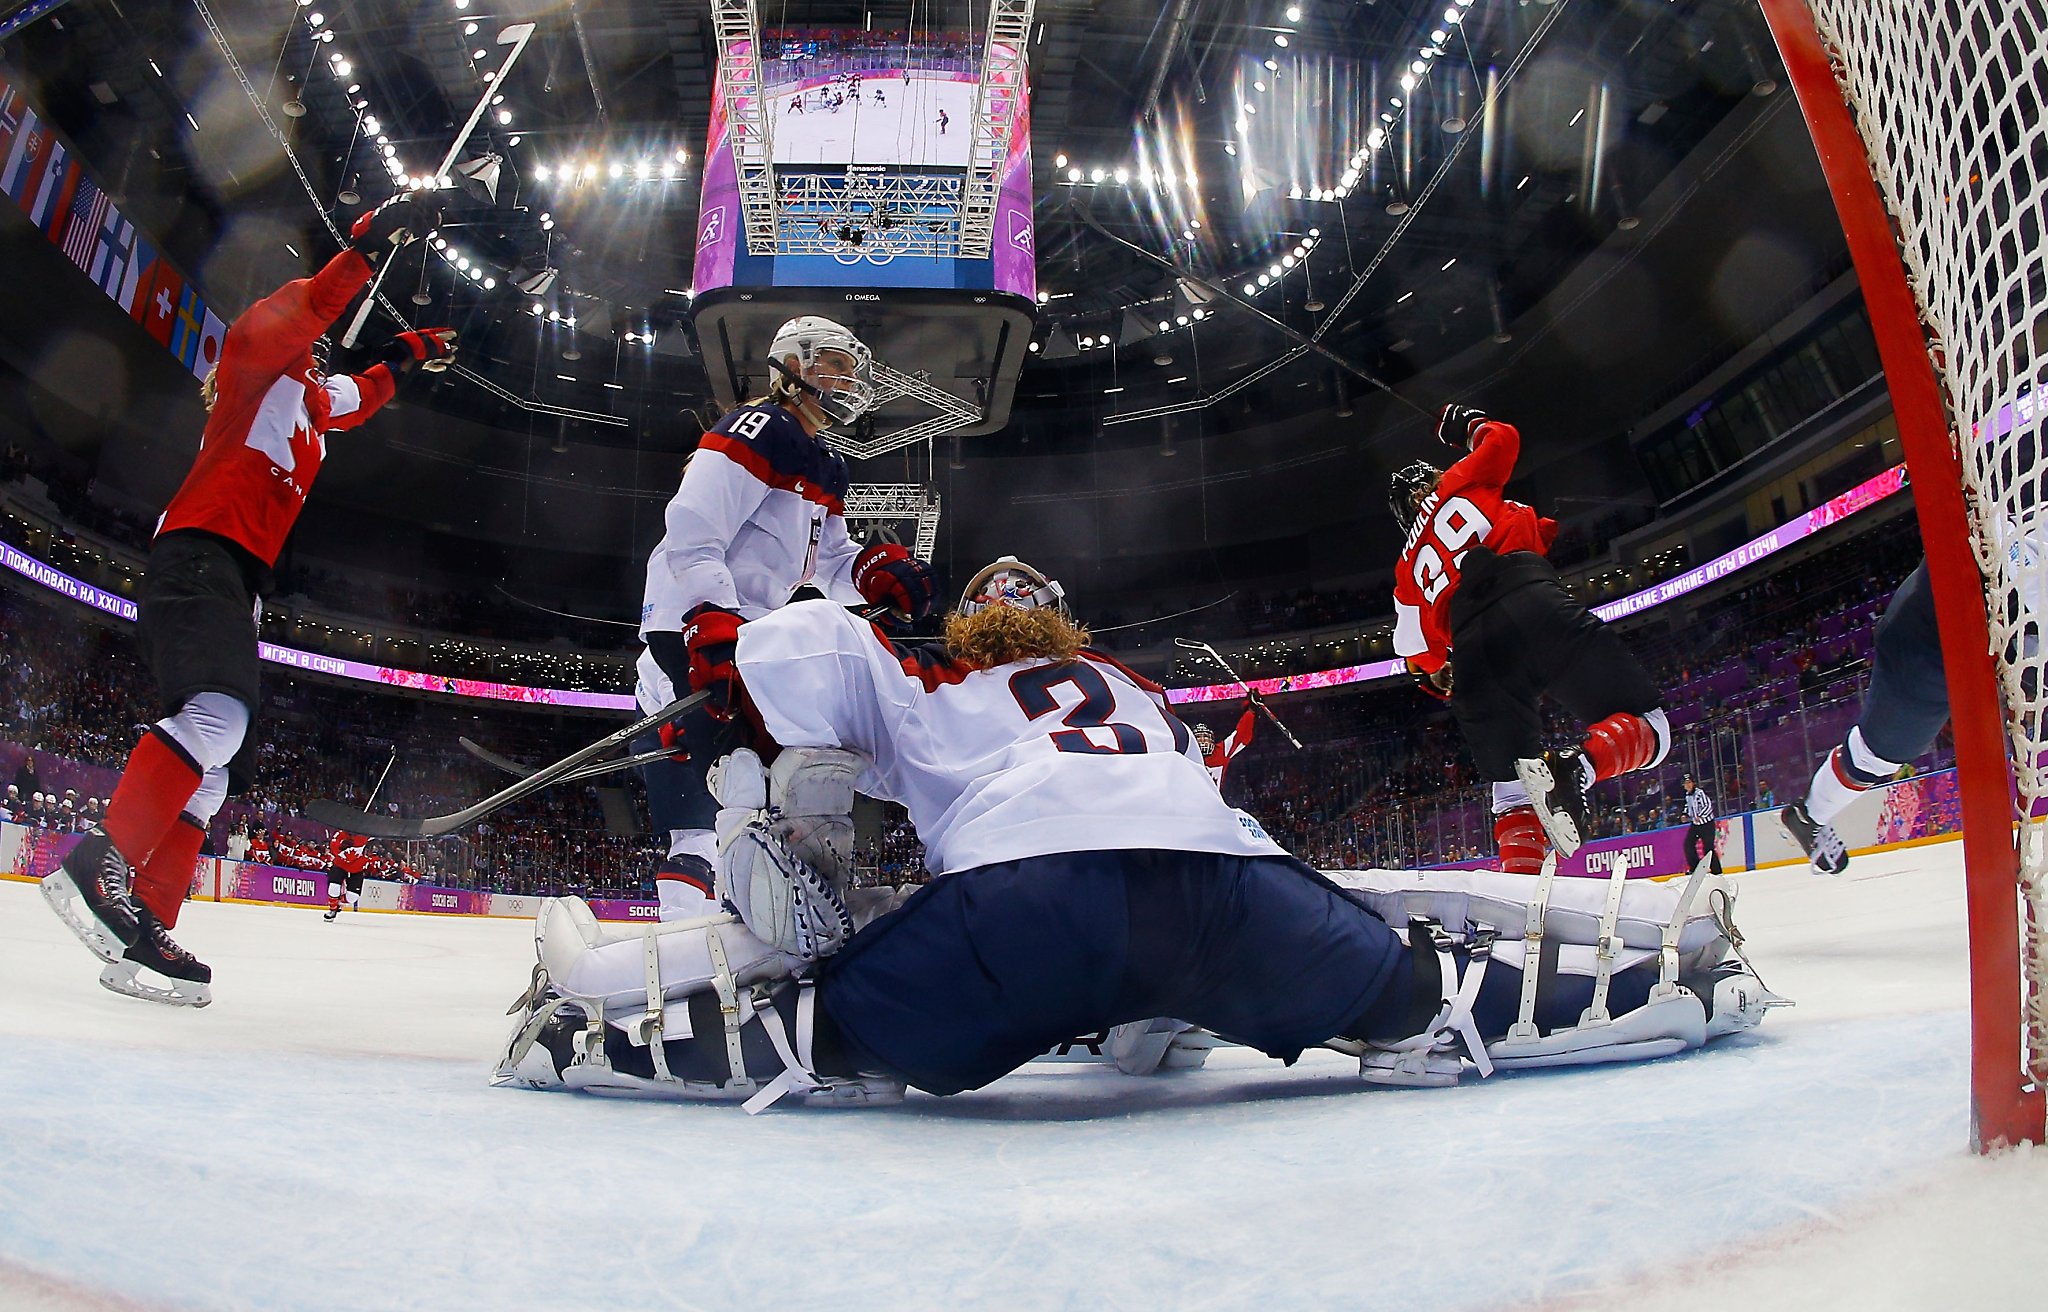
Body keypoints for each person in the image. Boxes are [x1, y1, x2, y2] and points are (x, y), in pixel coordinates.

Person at [494, 557, 1773, 1107]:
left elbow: (804, 650)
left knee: (820, 1028)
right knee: (1410, 992)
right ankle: (1667, 976)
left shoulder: (932, 679)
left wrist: (736, 699)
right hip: (1217, 905)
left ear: (974, 627)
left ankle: (587, 1029)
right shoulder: (1136, 690)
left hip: (1019, 918)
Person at [38, 191, 457, 1007]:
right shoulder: (255, 357)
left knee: (214, 773)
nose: (322, 355)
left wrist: (409, 353)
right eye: (316, 348)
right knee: (217, 720)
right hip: (201, 551)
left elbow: (358, 396)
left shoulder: (310, 408)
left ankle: (143, 927)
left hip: (237, 579)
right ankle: (99, 861)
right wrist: (373, 242)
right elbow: (311, 306)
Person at [632, 315, 938, 921]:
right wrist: (708, 620)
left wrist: (876, 571)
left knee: (761, 792)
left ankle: (764, 923)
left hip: (749, 637)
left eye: (854, 370)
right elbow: (692, 529)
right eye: (837, 365)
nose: (850, 380)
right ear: (794, 366)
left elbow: (829, 563)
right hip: (698, 626)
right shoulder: (758, 428)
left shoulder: (825, 462)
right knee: (729, 797)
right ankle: (697, 937)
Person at [1391, 406, 1673, 873]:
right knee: (1654, 728)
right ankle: (1578, 767)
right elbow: (1503, 440)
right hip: (1531, 600)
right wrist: (1468, 427)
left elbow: (1419, 657)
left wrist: (1439, 674)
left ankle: (1522, 901)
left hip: (1473, 649)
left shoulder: (1405, 570)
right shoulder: (1455, 483)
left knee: (1510, 792)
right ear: (1432, 481)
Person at [1781, 558, 1944, 875]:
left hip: (1942, 620)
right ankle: (1809, 816)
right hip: (1929, 646)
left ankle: (1811, 815)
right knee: (1875, 756)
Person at [1192, 699, 1258, 792]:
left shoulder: (1221, 751)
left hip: (1213, 799)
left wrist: (1250, 711)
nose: (1203, 740)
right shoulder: (1187, 754)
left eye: (1205, 737)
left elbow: (1241, 735)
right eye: (1199, 737)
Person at [323, 830, 370, 921]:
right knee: (334, 887)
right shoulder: (340, 834)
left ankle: (339, 902)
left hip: (357, 869)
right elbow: (334, 847)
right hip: (340, 865)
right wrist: (343, 849)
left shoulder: (365, 835)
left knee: (352, 897)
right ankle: (332, 910)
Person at [1681, 772, 1721, 875]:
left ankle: (1716, 871)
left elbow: (1708, 806)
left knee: (1708, 848)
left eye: (1689, 782)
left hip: (1707, 824)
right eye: (1686, 783)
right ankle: (1695, 867)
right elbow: (1688, 806)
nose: (1688, 785)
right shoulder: (1688, 795)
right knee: (1688, 844)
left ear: (1693, 783)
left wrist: (1700, 815)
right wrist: (1685, 814)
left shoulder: (1699, 793)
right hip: (1696, 825)